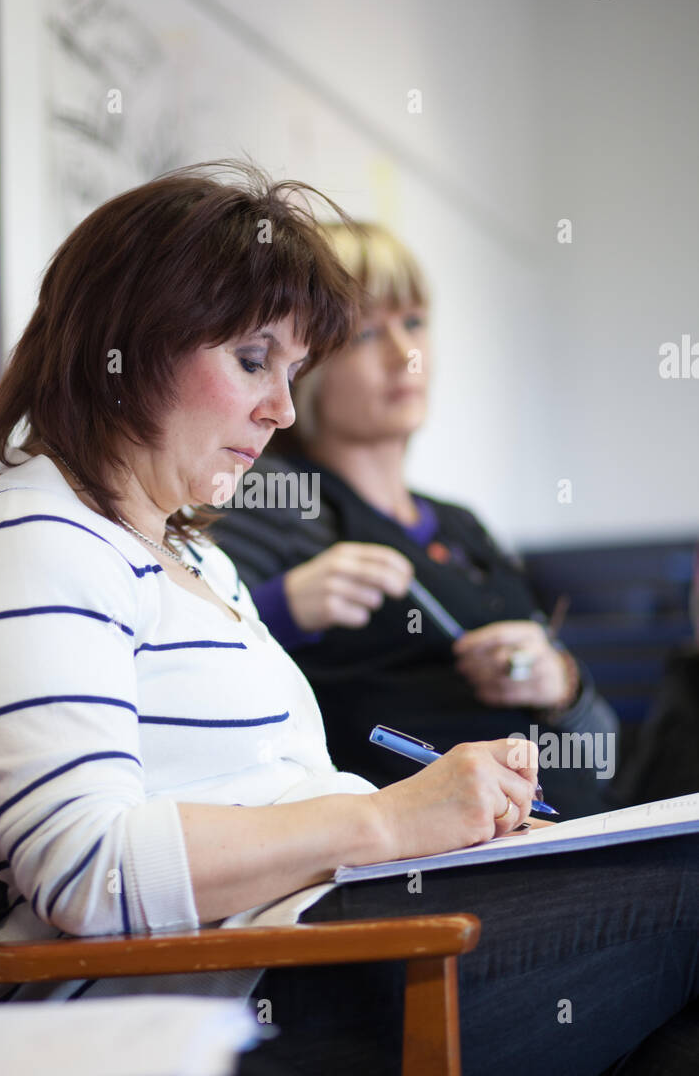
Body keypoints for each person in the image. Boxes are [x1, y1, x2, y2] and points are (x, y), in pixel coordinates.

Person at [0, 161, 699, 1076]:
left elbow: (270, 790)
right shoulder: (30, 545)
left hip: (325, 952)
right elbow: (90, 873)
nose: (281, 408)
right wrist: (392, 820)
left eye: (291, 368)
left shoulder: (191, 557)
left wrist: (450, 826)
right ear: (126, 345)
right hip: (212, 1010)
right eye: (252, 359)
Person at [210, 223, 619, 819]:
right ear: (303, 365)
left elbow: (604, 752)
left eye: (415, 323)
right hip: (443, 846)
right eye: (366, 333)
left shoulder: (463, 527)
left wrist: (561, 684)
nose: (406, 355)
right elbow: (197, 679)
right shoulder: (276, 502)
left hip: (576, 821)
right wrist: (283, 609)